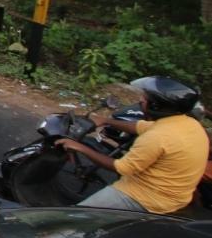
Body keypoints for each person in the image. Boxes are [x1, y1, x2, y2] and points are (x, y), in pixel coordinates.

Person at [56, 76, 207, 214]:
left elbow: (122, 167)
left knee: (75, 218)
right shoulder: (189, 124)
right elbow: (139, 126)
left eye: (145, 98)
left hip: (145, 197)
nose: (141, 100)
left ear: (156, 105)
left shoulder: (158, 137)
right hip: (175, 197)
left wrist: (80, 147)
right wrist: (106, 120)